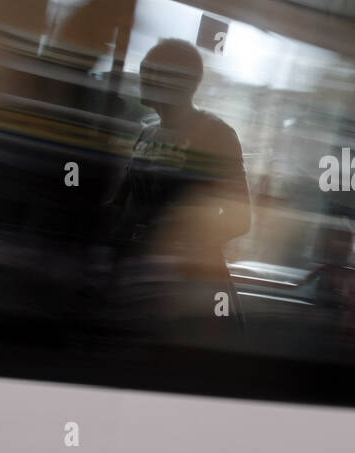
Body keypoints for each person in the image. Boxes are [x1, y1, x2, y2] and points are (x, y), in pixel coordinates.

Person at [104, 38, 251, 332]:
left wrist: (180, 241)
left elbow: (240, 218)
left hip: (189, 282)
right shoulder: (146, 133)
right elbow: (118, 207)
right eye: (144, 69)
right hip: (140, 275)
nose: (143, 76)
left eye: (151, 70)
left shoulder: (215, 133)